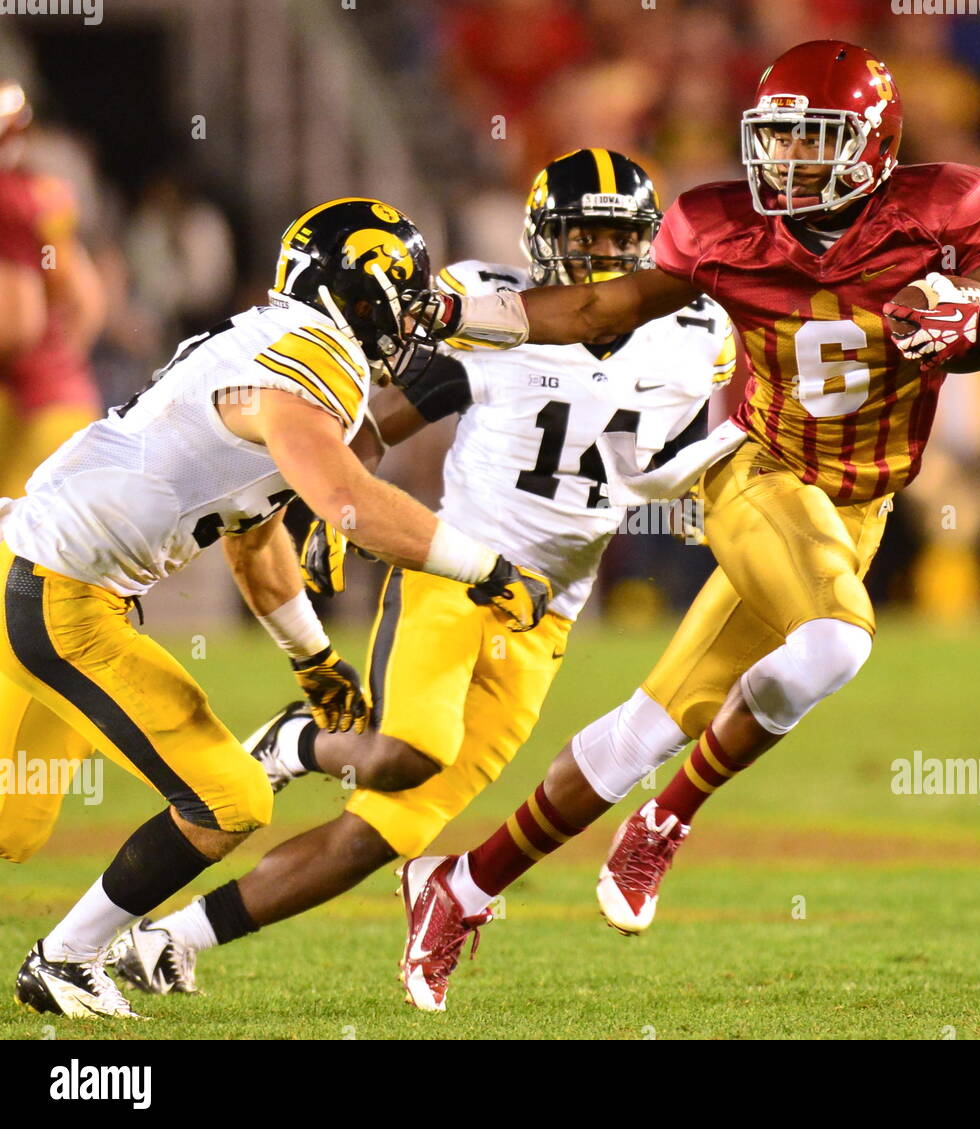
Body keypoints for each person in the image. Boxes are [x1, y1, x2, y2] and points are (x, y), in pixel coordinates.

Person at [402, 39, 980, 1010]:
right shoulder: (722, 228)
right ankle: (667, 825)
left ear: (871, 147)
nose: (786, 162)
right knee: (839, 643)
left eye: (812, 141)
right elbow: (606, 303)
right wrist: (465, 307)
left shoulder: (943, 213)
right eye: (777, 139)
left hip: (860, 509)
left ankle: (457, 886)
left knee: (644, 729)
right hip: (758, 473)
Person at [109, 150, 735, 1010]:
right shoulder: (492, 310)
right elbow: (373, 429)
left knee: (386, 829)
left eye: (616, 237)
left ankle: (169, 940)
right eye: (580, 234)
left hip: (548, 614)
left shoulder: (701, 332)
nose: (596, 254)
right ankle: (294, 743)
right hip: (455, 574)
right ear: (541, 240)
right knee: (406, 751)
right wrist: (333, 509)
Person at [1, 196, 548, 1018]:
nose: (412, 320)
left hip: (46, 573)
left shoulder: (283, 342)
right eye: (400, 300)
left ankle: (65, 956)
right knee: (230, 798)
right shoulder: (312, 357)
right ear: (357, 300)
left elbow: (252, 531)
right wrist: (486, 564)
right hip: (57, 594)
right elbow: (346, 499)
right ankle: (66, 958)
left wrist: (313, 657)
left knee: (14, 823)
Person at [0, 81, 104, 501]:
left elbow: (21, 321)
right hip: (61, 399)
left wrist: (42, 374)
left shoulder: (12, 200)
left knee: (12, 552)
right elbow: (89, 300)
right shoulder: (36, 194)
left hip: (29, 409)